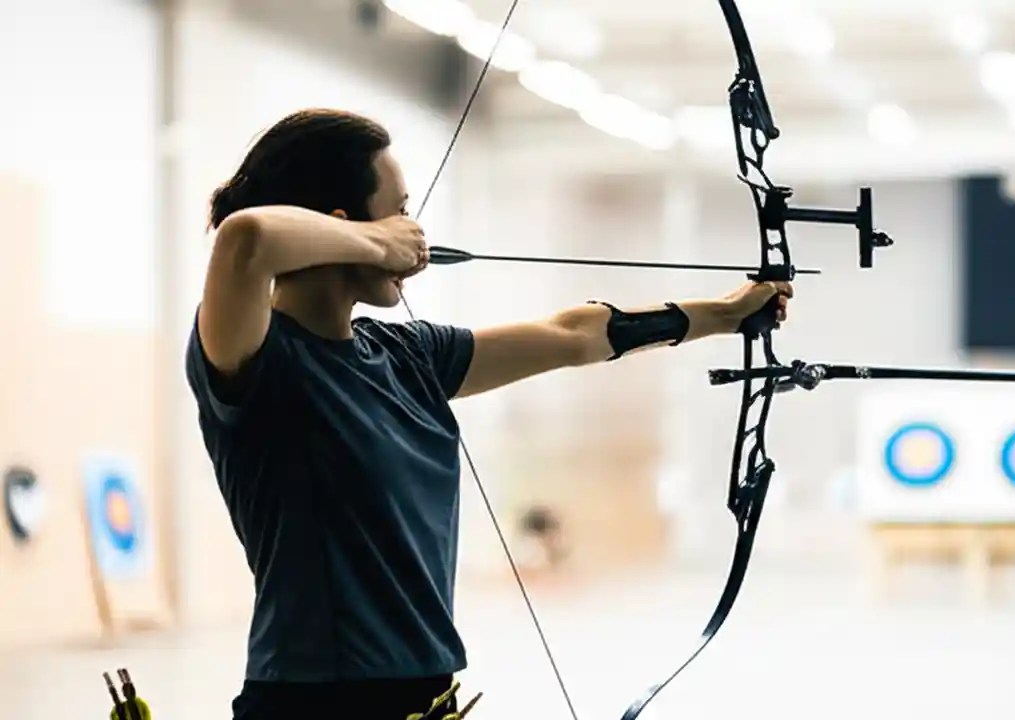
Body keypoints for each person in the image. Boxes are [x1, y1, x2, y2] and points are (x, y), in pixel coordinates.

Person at [185, 108, 793, 720]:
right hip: (314, 702)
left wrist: (724, 314)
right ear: (340, 225)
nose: (413, 233)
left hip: (427, 696)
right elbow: (246, 240)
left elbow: (573, 335)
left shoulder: (406, 355)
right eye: (399, 212)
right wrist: (381, 243)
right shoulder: (261, 360)